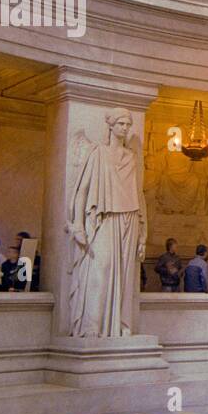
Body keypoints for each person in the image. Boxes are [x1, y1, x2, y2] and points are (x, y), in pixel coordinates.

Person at [67, 109, 147, 336]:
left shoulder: (131, 157)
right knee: (100, 270)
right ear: (110, 126)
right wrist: (78, 225)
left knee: (125, 277)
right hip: (105, 218)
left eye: (128, 124)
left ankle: (121, 326)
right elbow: (82, 190)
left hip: (129, 217)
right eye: (120, 123)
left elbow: (139, 194)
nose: (125, 128)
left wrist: (143, 232)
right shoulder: (98, 153)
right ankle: (92, 326)